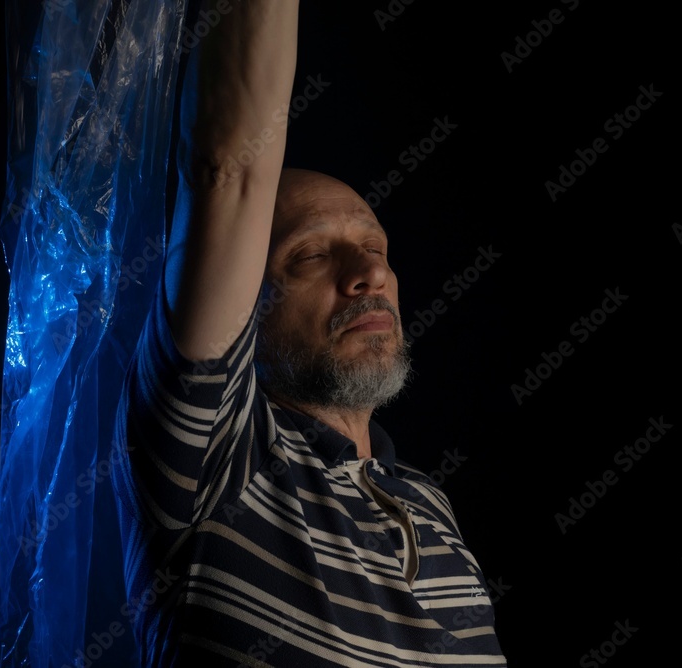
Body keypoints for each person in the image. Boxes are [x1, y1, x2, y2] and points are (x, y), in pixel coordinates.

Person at [111, 1, 507, 665]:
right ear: (245, 305)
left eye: (375, 248)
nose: (370, 273)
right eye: (312, 255)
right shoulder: (218, 458)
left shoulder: (430, 504)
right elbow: (229, 170)